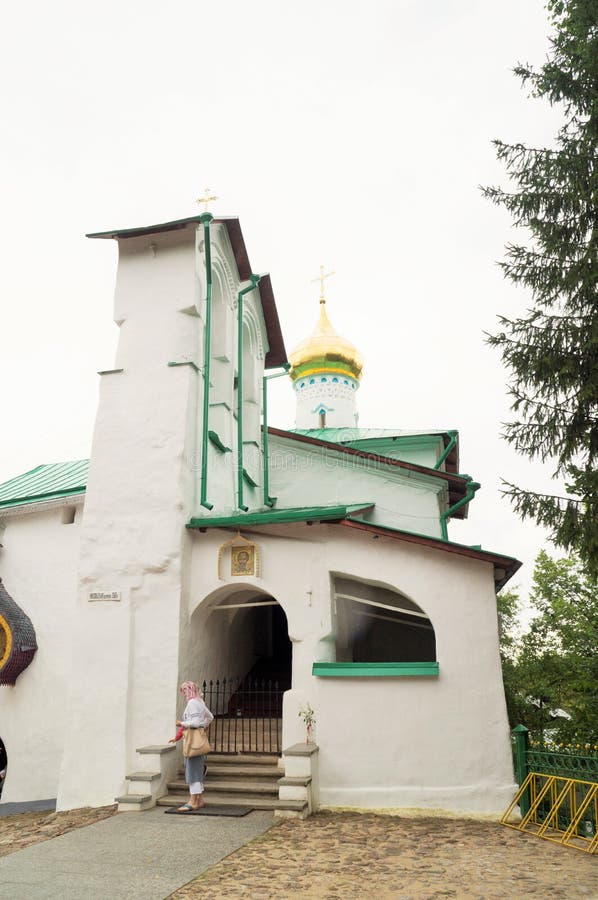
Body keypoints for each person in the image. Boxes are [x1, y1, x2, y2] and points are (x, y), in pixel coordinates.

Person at [169, 681, 213, 811]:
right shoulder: (200, 701)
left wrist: (181, 723)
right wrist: (203, 726)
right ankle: (199, 800)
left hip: (192, 739)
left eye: (184, 690)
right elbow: (210, 717)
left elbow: (194, 721)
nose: (183, 693)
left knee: (192, 770)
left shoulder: (192, 703)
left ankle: (193, 801)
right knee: (196, 770)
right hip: (197, 738)